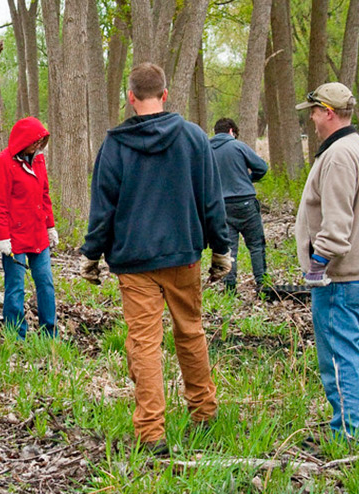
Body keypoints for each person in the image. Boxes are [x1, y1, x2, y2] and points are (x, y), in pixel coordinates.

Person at [81, 63, 232, 456]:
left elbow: (103, 208)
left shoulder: (114, 146)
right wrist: (220, 248)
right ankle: (204, 413)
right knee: (191, 332)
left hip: (135, 262)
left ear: (131, 98)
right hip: (183, 255)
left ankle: (151, 434)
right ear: (164, 94)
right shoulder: (195, 138)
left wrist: (91, 255)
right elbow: (211, 199)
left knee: (144, 345)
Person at [294, 83, 359, 439]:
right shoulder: (357, 147)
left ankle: (346, 434)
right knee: (351, 350)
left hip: (340, 277)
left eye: (314, 112)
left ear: (328, 112)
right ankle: (354, 424)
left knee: (337, 357)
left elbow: (336, 224)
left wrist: (317, 265)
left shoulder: (339, 156)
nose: (312, 119)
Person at [0, 117, 59, 340]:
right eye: (34, 142)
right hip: (15, 237)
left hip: (38, 235)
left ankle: (49, 333)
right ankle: (16, 335)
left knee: (45, 283)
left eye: (41, 142)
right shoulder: (3, 163)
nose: (37, 146)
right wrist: (3, 237)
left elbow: (44, 194)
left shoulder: (38, 160)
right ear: (23, 141)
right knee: (15, 287)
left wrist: (50, 226)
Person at [209, 117, 270, 295]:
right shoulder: (237, 146)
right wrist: (248, 179)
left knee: (228, 248)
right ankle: (262, 285)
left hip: (222, 206)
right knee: (256, 245)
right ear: (231, 131)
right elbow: (262, 167)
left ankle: (229, 288)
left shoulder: (207, 150)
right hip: (246, 203)